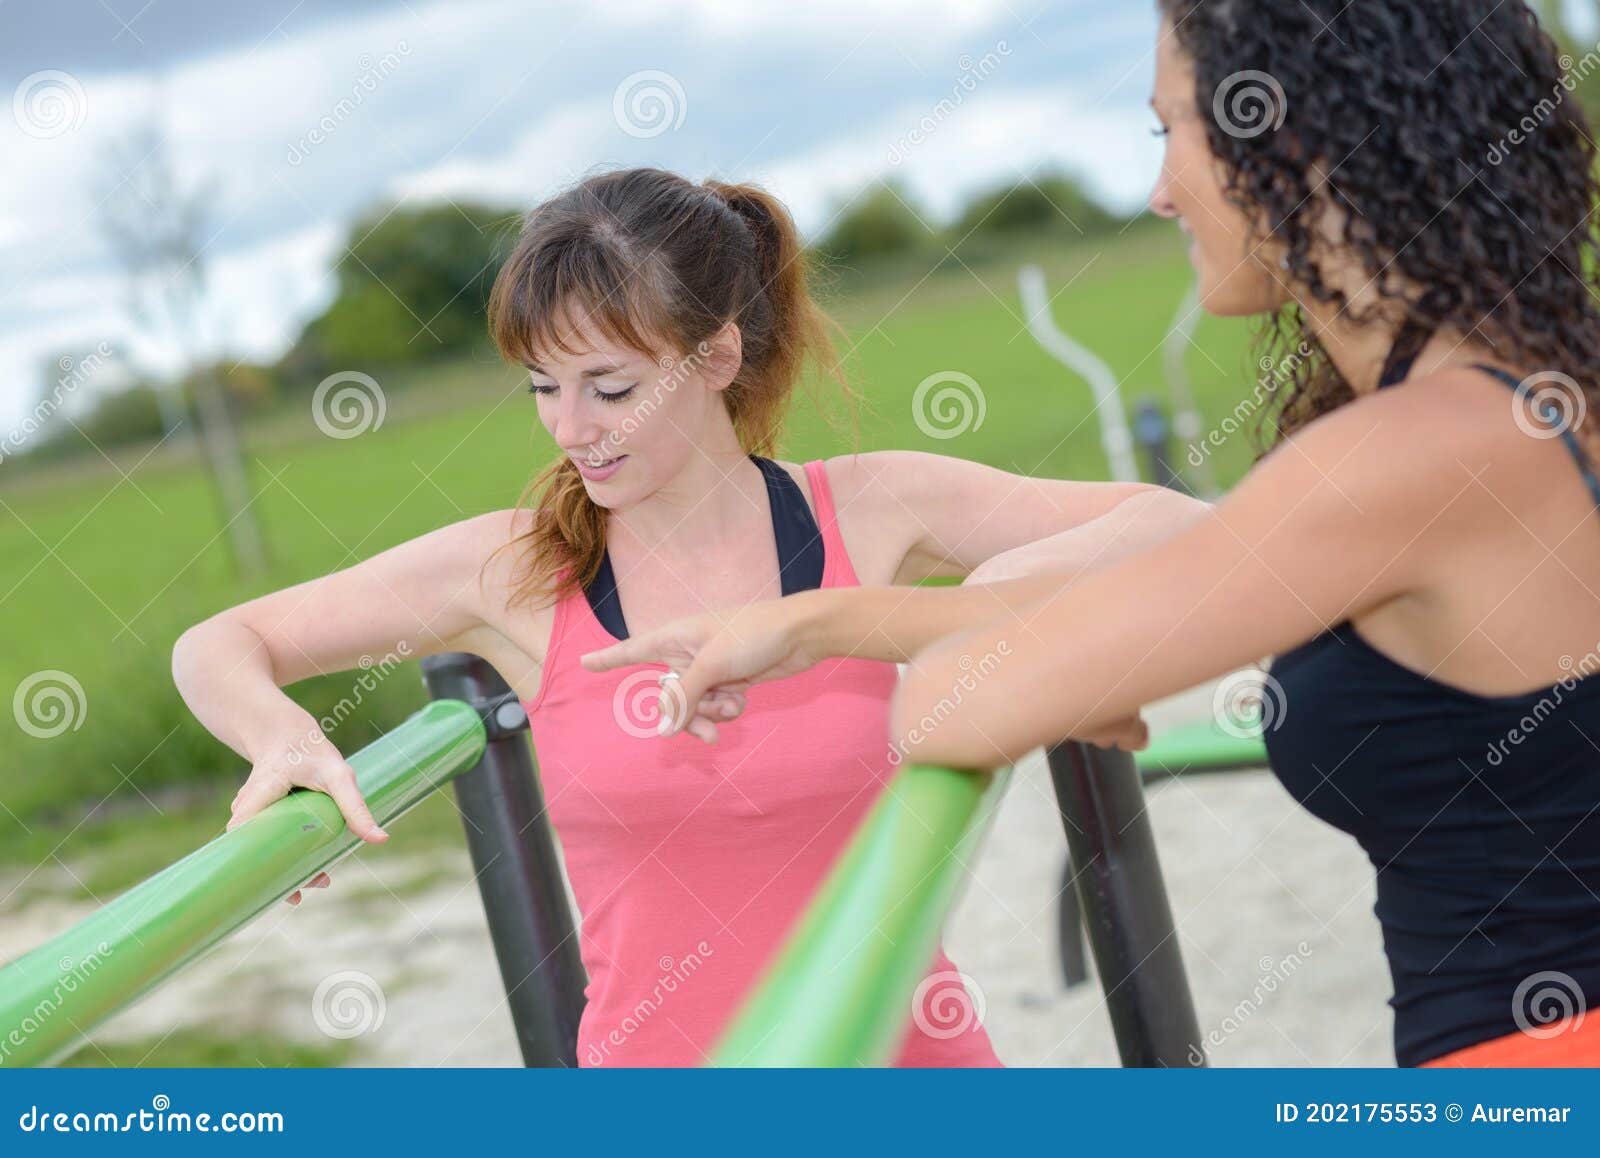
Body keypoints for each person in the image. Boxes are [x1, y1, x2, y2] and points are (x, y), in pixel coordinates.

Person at [579, 2, 1600, 1067]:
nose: (1160, 192)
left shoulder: (1417, 454)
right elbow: (1197, 570)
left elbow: (945, 707)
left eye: (1173, 132)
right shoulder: (1513, 397)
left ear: (1295, 141)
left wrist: (1063, 664)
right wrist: (821, 622)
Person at [173, 165, 1207, 1067]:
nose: (569, 429)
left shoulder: (872, 507)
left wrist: (935, 614)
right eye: (543, 387)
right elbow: (219, 644)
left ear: (715, 357)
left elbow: (1179, 526)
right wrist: (283, 739)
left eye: (609, 388)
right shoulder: (515, 568)